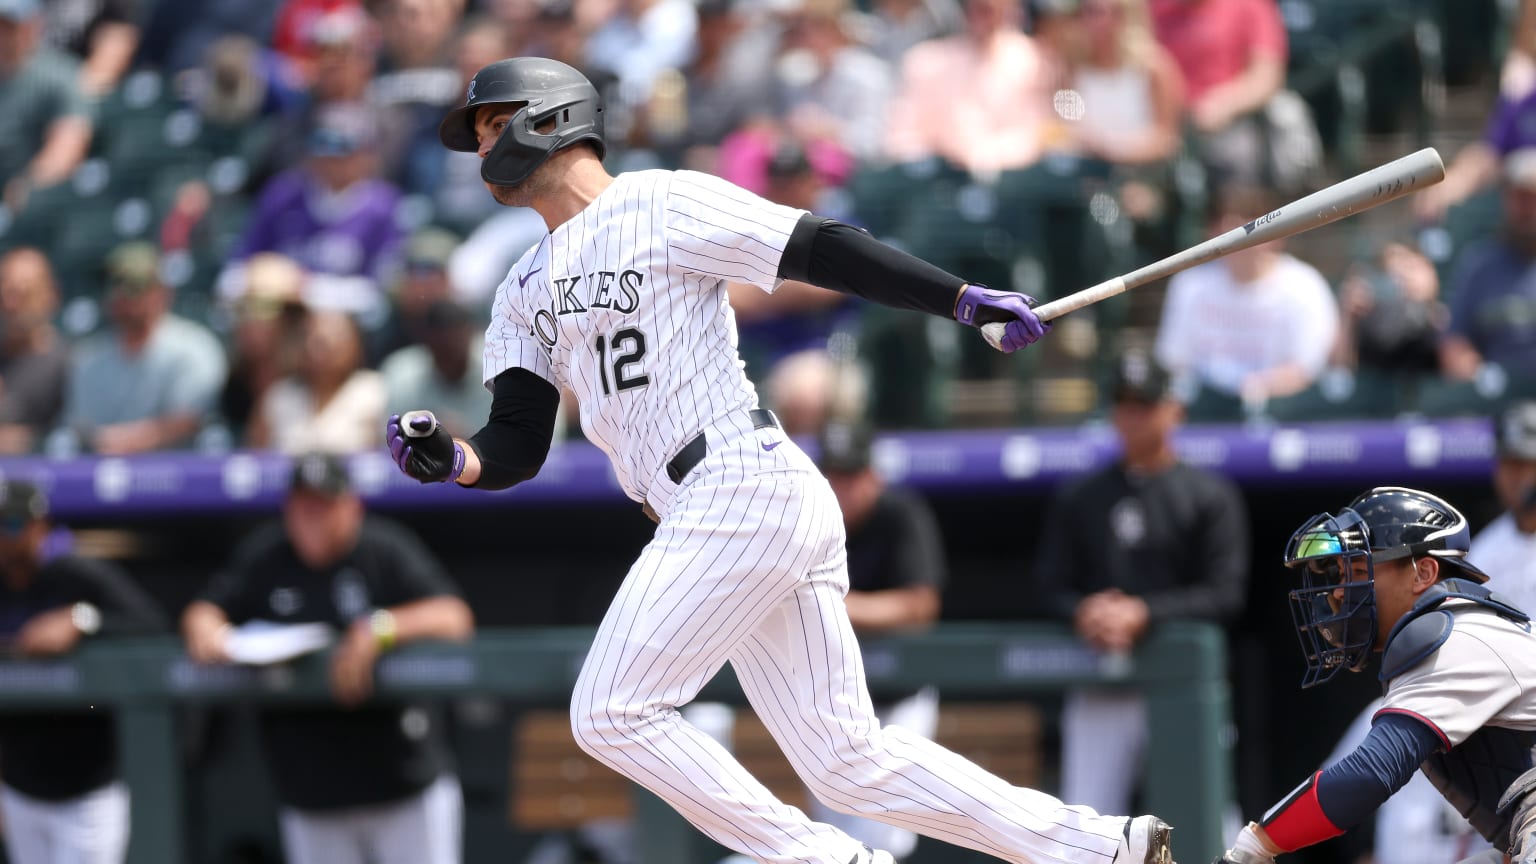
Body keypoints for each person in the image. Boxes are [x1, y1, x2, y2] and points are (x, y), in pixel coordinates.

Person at [386, 56, 1178, 864]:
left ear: (549, 118)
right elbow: (516, 441)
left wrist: (958, 299)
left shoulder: (661, 199)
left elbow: (818, 246)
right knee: (847, 762)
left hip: (734, 479)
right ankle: (1101, 847)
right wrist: (450, 459)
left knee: (608, 713)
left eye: (488, 127)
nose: (480, 151)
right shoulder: (521, 287)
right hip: (726, 505)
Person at [1211, 487, 1536, 864]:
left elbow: (1367, 775)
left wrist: (1257, 844)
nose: (1338, 592)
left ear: (1424, 573)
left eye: (1361, 571)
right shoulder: (1460, 629)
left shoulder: (1457, 638)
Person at [181, 451, 474, 864]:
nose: (311, 517)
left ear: (351, 506)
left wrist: (381, 628)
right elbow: (206, 609)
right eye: (302, 506)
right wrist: (205, 628)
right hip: (311, 793)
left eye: (323, 504)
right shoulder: (267, 557)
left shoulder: (382, 548)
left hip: (402, 783)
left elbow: (454, 618)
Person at [1032, 349, 1248, 818]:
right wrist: (1084, 611)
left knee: (1204, 815)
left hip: (1182, 679)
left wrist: (1146, 614)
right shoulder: (1082, 495)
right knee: (1084, 820)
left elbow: (1226, 594)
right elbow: (1049, 585)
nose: (1132, 417)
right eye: (1124, 404)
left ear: (1175, 409)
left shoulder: (1208, 495)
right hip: (1100, 677)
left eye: (1145, 404)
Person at [0, 480, 167, 864]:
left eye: (12, 525)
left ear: (40, 526)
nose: (4, 540)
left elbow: (153, 626)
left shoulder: (77, 575)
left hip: (85, 790)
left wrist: (82, 619)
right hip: (18, 787)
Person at [812, 421, 947, 861]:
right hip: (829, 702)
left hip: (898, 699)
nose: (840, 487)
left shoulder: (899, 513)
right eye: (832, 475)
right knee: (834, 833)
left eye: (850, 476)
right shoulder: (806, 519)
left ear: (872, 475)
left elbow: (920, 604)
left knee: (886, 834)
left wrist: (840, 606)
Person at [1153, 181, 1338, 411]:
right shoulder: (1189, 285)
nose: (1236, 235)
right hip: (1205, 408)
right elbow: (1174, 362)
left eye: (1248, 225)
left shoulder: (1305, 285)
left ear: (1277, 235)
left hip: (1284, 408)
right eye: (1227, 226)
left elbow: (1306, 368)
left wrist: (1255, 387)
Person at [58, 242, 228, 455]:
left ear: (162, 293)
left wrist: (125, 440)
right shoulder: (89, 357)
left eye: (133, 284)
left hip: (180, 480)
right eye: (113, 284)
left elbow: (190, 421)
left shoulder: (195, 347)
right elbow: (81, 428)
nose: (121, 295)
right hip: (102, 478)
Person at [1438, 148, 1536, 385]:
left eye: (1531, 198)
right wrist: (1476, 375)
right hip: (1496, 407)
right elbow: (1454, 342)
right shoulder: (1480, 263)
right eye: (1517, 197)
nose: (1524, 208)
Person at [0, 247, 68, 454]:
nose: (11, 305)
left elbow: (72, 440)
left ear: (50, 295)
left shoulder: (70, 364)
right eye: (5, 294)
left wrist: (25, 440)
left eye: (24, 294)